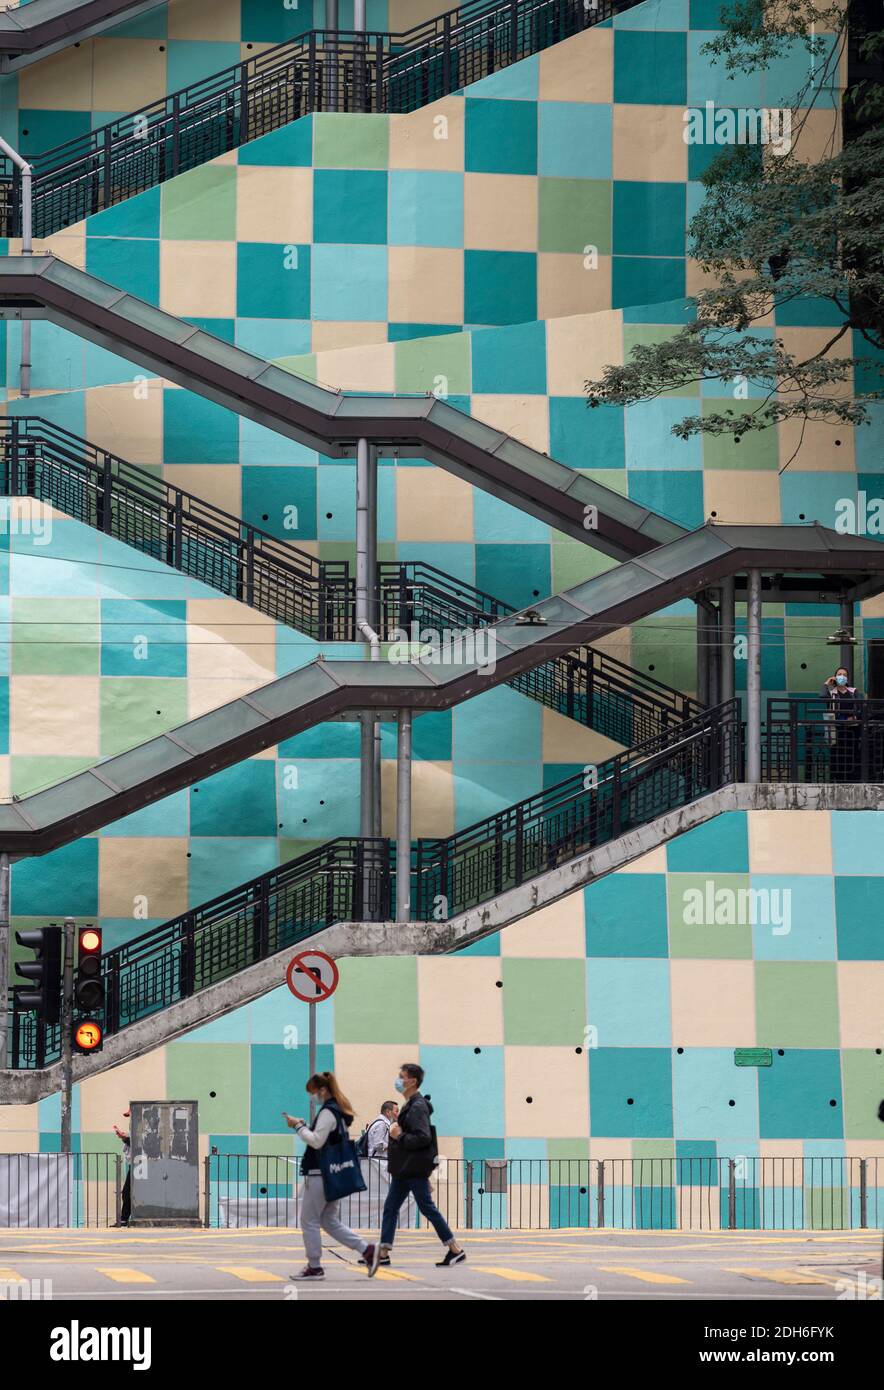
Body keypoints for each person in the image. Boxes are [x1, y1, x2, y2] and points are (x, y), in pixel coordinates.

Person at [367, 1062, 464, 1276]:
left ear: (412, 1081)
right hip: (406, 1169)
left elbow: (422, 1138)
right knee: (391, 1208)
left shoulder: (417, 1106)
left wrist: (397, 1135)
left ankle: (455, 1249)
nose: (398, 1080)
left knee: (427, 1208)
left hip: (411, 1169)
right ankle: (383, 1253)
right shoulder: (411, 1104)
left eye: (401, 1076)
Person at [284, 1071, 377, 1280]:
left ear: (323, 1090)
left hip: (320, 1174)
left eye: (313, 1092)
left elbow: (317, 1141)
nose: (312, 1097)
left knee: (309, 1220)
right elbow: (325, 1139)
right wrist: (304, 1127)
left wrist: (298, 1127)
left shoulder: (328, 1112)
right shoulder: (339, 1112)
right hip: (331, 1174)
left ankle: (314, 1266)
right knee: (328, 1220)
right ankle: (367, 1250)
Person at [821, 667, 864, 781]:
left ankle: (851, 779)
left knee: (852, 754)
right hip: (838, 729)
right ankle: (837, 779)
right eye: (839, 674)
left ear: (847, 678)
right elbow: (822, 696)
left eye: (844, 674)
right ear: (835, 677)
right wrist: (826, 684)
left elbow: (860, 707)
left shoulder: (854, 691)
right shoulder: (832, 693)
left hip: (853, 728)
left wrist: (853, 717)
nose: (842, 676)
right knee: (837, 755)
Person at [112, 1109, 131, 1226]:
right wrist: (123, 1136)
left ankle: (124, 1219)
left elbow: (138, 1143)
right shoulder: (135, 1126)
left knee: (127, 1192)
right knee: (127, 1192)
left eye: (130, 1115)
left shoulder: (140, 1126)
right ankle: (124, 1219)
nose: (129, 1118)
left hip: (140, 1164)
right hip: (136, 1164)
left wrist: (124, 1137)